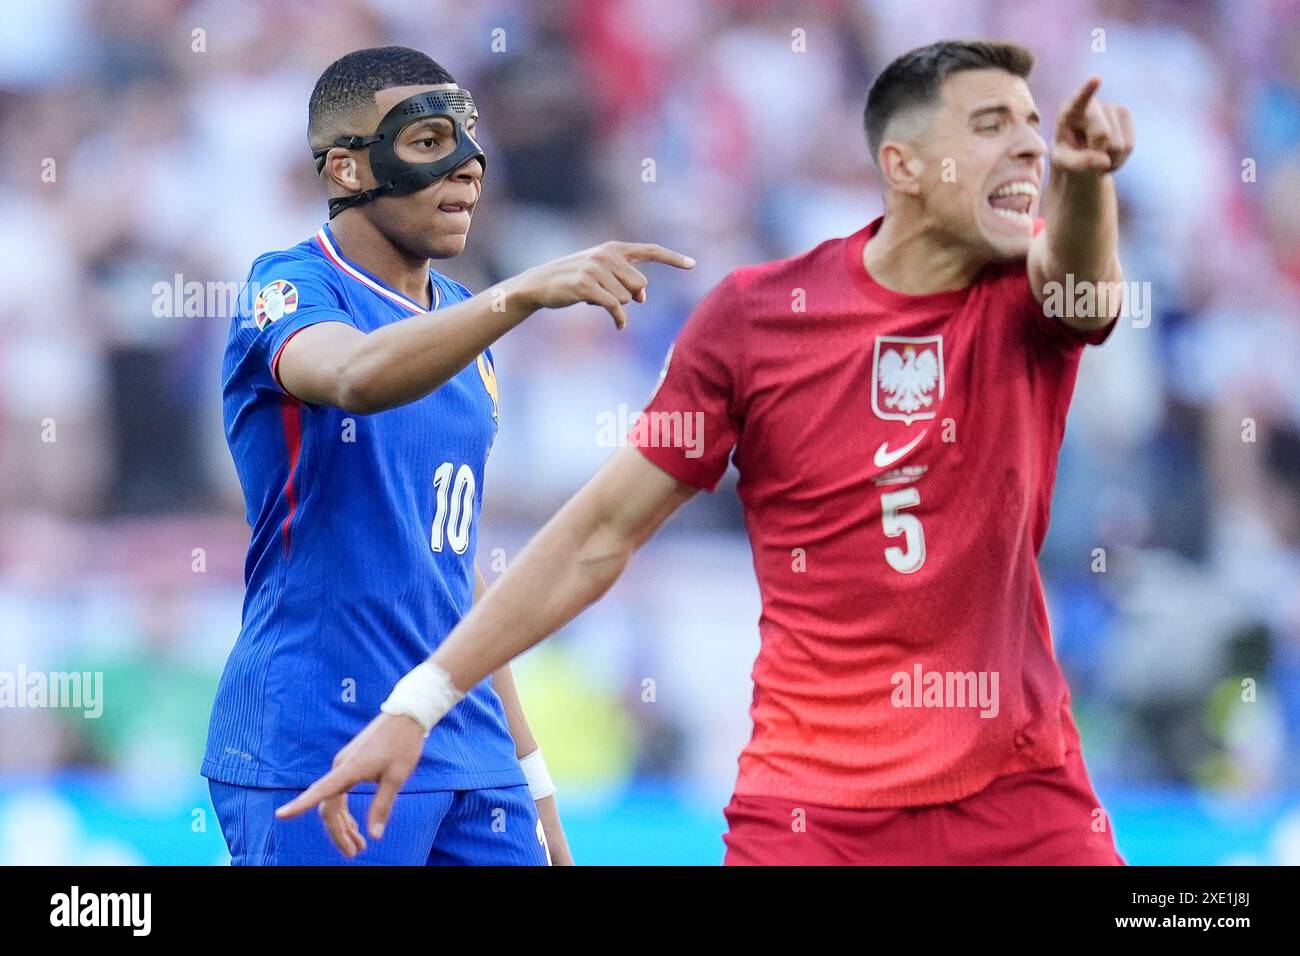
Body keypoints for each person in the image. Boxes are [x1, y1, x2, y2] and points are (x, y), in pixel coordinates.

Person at [278, 39, 1133, 865]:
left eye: (1032, 126)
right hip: (814, 814)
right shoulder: (759, 320)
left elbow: (1085, 290)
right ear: (904, 166)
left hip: (1020, 795)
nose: (1028, 144)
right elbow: (599, 533)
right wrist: (420, 702)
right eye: (991, 125)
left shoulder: (1023, 301)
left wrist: (1090, 185)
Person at [202, 45, 693, 865]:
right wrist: (522, 293)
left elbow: (455, 568)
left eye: (470, 140)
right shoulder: (286, 287)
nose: (467, 167)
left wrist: (533, 778)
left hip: (466, 743)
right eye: (430, 142)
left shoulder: (469, 321)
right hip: (319, 733)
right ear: (349, 169)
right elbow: (356, 377)